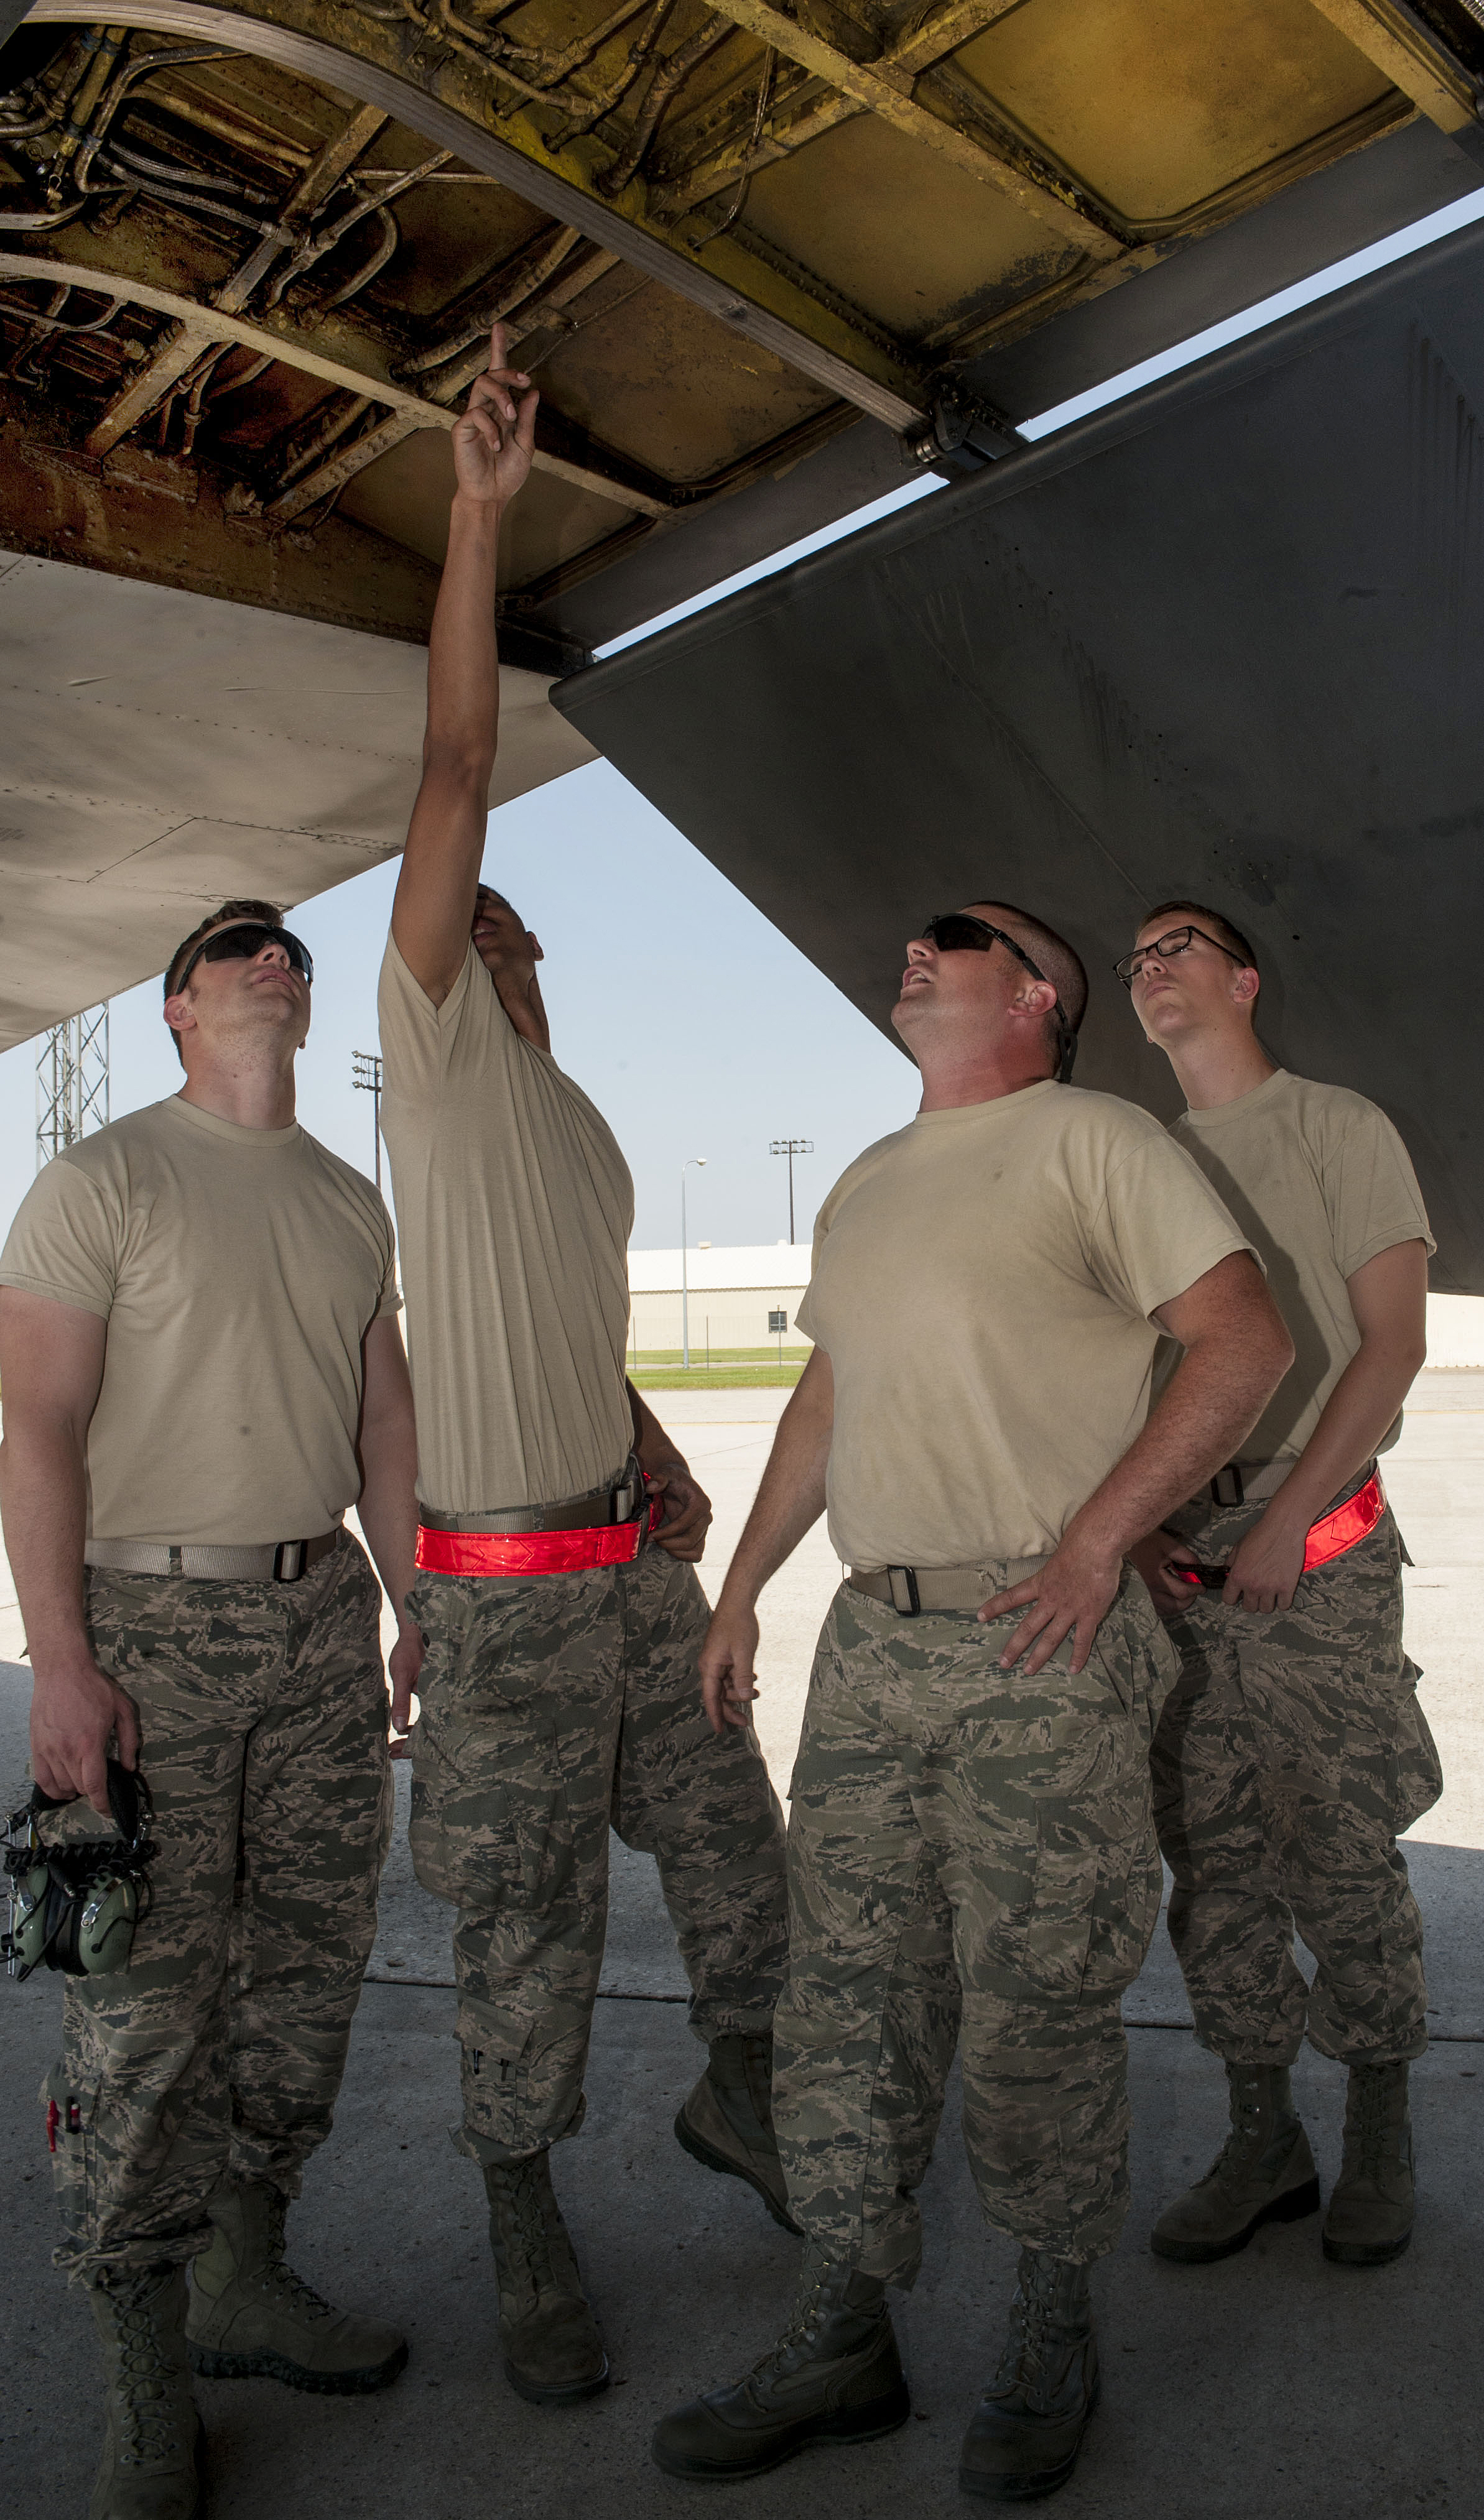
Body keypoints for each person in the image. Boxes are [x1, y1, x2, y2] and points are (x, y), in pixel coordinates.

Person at [651, 903, 1294, 2502]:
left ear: (1034, 998)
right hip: (873, 1643)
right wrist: (740, 1589)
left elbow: (1243, 1339)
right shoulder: (866, 1178)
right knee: (844, 2002)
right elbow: (826, 1393)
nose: (910, 952)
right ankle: (840, 2330)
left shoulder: (1092, 1138)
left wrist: (1099, 1538)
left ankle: (1046, 2323)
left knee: (1035, 2002)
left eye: (951, 936)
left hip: (1038, 1644)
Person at [376, 325, 789, 2409]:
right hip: (505, 1596)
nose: (498, 939)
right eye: (476, 927)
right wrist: (477, 516)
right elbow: (452, 773)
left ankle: (744, 2090)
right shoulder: (437, 1064)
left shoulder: (572, 1120)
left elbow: (561, 1319)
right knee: (520, 1926)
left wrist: (651, 1441)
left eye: (520, 930)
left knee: (736, 1850)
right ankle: (525, 2216)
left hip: (629, 1569)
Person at [0, 900, 424, 2520]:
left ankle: (252, 2275)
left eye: (289, 949)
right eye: (236, 945)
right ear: (176, 1006)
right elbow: (35, 1424)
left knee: (308, 1976)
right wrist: (62, 1657)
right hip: (149, 1627)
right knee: (145, 2005)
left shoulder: (343, 1202)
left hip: (321, 1618)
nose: (276, 958)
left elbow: (381, 1419)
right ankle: (142, 2367)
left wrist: (413, 1603)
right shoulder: (102, 1177)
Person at [1116, 902, 1440, 2271]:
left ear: (1244, 978)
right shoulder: (1134, 1160)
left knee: (1339, 1848)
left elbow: (1389, 1346)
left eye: (1179, 941)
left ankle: (1376, 2124)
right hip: (1178, 1563)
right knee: (1212, 1865)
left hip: (1312, 1556)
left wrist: (1283, 1513)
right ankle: (1264, 2137)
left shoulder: (1333, 1124)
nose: (1152, 964)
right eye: (1134, 956)